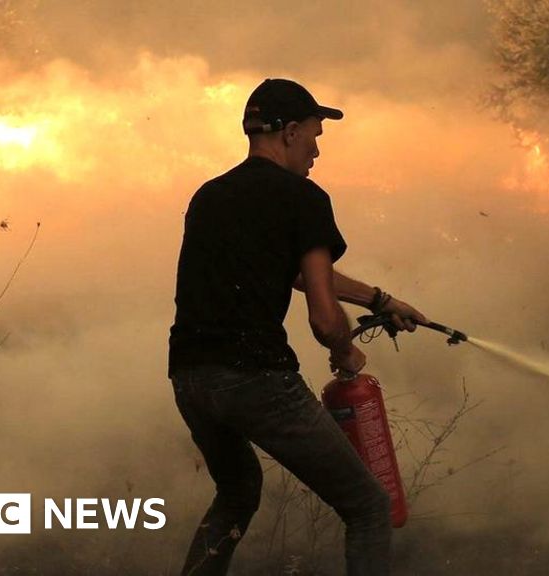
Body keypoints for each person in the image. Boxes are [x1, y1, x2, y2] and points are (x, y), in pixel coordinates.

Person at [168, 78, 427, 576]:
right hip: (256, 378)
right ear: (288, 132)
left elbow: (290, 272)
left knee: (238, 491)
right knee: (369, 508)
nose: (316, 150)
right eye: (314, 135)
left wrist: (381, 299)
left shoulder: (211, 195)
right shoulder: (303, 198)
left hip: (191, 377)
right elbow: (325, 320)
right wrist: (346, 352)